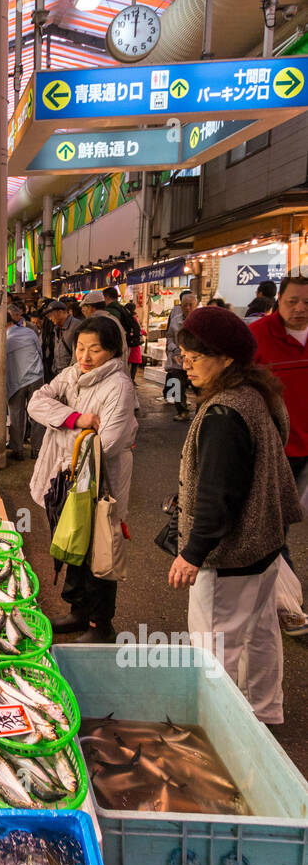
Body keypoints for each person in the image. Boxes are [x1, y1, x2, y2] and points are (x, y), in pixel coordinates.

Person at [167, 307, 302, 726]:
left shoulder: (224, 413)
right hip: (264, 546)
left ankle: (216, 731)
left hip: (230, 556)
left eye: (195, 358)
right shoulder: (258, 393)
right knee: (261, 634)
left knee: (213, 649)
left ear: (226, 358)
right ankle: (263, 714)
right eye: (183, 356)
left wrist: (192, 553)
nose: (185, 366)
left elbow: (216, 492)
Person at [28, 315, 137, 642]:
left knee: (97, 552)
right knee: (72, 545)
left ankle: (100, 625)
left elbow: (109, 442)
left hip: (98, 484)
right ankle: (77, 612)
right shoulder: (71, 374)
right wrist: (76, 420)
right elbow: (37, 402)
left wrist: (60, 427)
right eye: (80, 348)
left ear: (113, 351)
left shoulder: (119, 386)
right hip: (66, 480)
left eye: (95, 350)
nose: (85, 357)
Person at [250, 274, 308, 632]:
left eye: (307, 302)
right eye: (293, 301)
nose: (301, 309)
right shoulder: (258, 336)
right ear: (278, 301)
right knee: (275, 529)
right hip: (277, 452)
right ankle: (288, 606)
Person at [6, 306, 44, 459]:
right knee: (37, 414)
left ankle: (18, 450)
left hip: (17, 381)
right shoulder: (29, 332)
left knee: (16, 414)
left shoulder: (5, 338)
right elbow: (39, 352)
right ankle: (37, 449)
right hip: (36, 376)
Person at [165, 289, 197, 420]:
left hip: (195, 360)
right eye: (185, 305)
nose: (188, 308)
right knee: (177, 386)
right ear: (181, 306)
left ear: (196, 305)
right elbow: (169, 337)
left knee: (199, 388)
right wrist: (173, 349)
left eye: (191, 305)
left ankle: (201, 413)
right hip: (178, 359)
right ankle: (182, 412)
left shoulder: (201, 321)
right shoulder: (175, 320)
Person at [40, 300, 80, 382]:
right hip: (59, 374)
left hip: (71, 376)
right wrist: (54, 367)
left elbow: (76, 356)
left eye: (51, 315)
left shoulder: (76, 326)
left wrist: (70, 374)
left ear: (61, 312)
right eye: (48, 317)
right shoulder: (56, 328)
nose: (50, 319)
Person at [123, 299, 144, 381]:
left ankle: (129, 378)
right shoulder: (132, 318)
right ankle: (131, 379)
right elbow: (137, 329)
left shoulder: (127, 318)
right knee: (134, 362)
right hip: (134, 343)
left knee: (128, 362)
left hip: (130, 343)